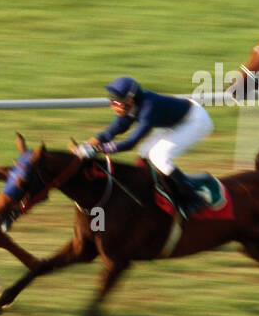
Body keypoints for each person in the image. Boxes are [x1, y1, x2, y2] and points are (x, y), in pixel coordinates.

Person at [77, 76, 213, 218]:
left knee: (159, 157)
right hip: (178, 121)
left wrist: (98, 149)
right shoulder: (129, 106)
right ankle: (158, 191)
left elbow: (131, 143)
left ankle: (193, 199)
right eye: (111, 101)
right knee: (144, 153)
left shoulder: (148, 108)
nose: (113, 106)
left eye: (116, 102)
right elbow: (110, 132)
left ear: (130, 100)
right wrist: (85, 146)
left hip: (196, 121)